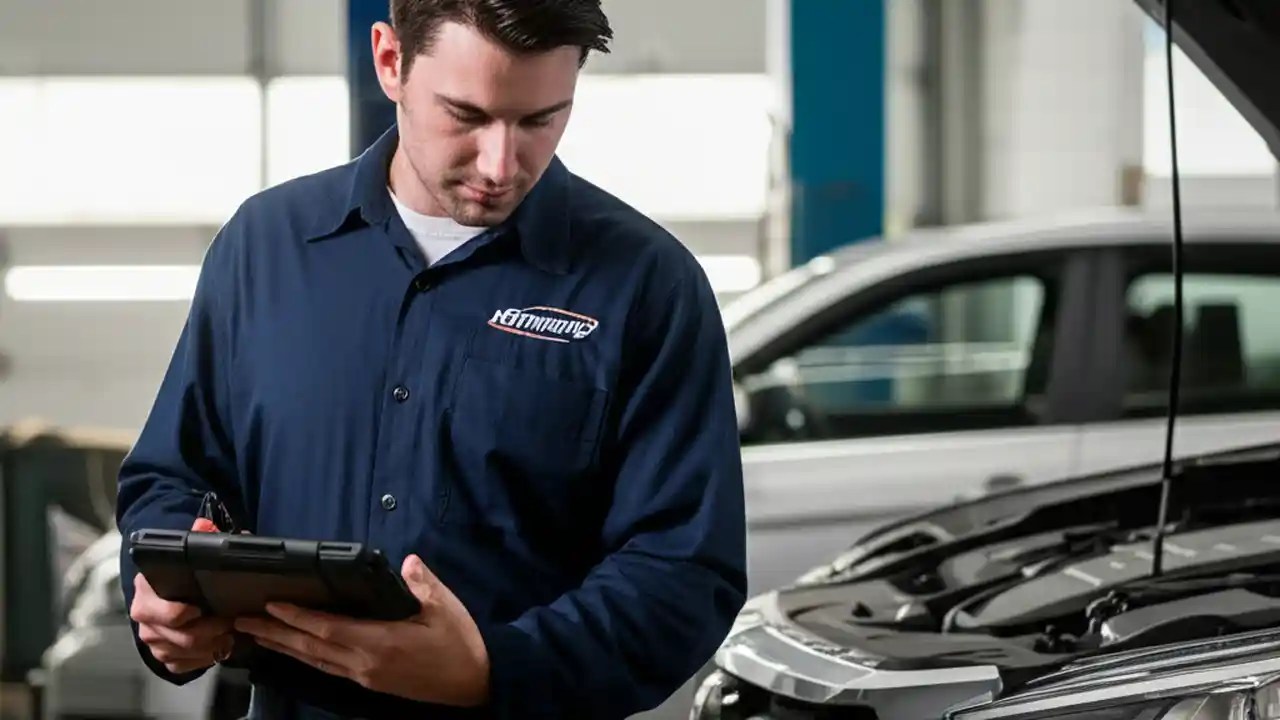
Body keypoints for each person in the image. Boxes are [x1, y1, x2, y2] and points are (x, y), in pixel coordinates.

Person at [115, 0, 748, 718]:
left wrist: (492, 669)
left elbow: (685, 573)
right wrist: (165, 593)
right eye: (467, 116)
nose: (501, 163)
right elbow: (173, 474)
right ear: (391, 62)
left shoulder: (647, 287)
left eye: (541, 119)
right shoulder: (265, 248)